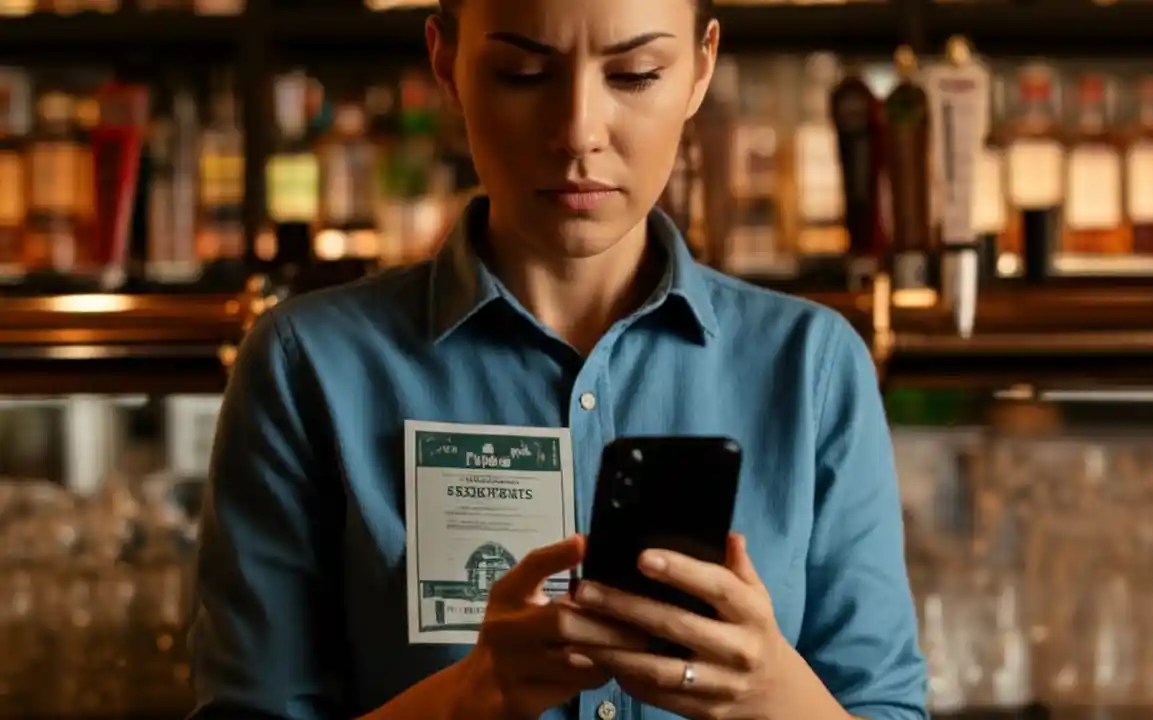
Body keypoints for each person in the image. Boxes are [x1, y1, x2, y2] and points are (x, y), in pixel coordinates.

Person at [187, 0, 928, 718]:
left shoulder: (813, 366)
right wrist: (470, 699)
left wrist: (772, 697)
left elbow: (884, 706)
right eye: (521, 73)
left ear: (702, 68)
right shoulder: (308, 365)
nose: (579, 133)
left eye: (635, 74)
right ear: (446, 64)